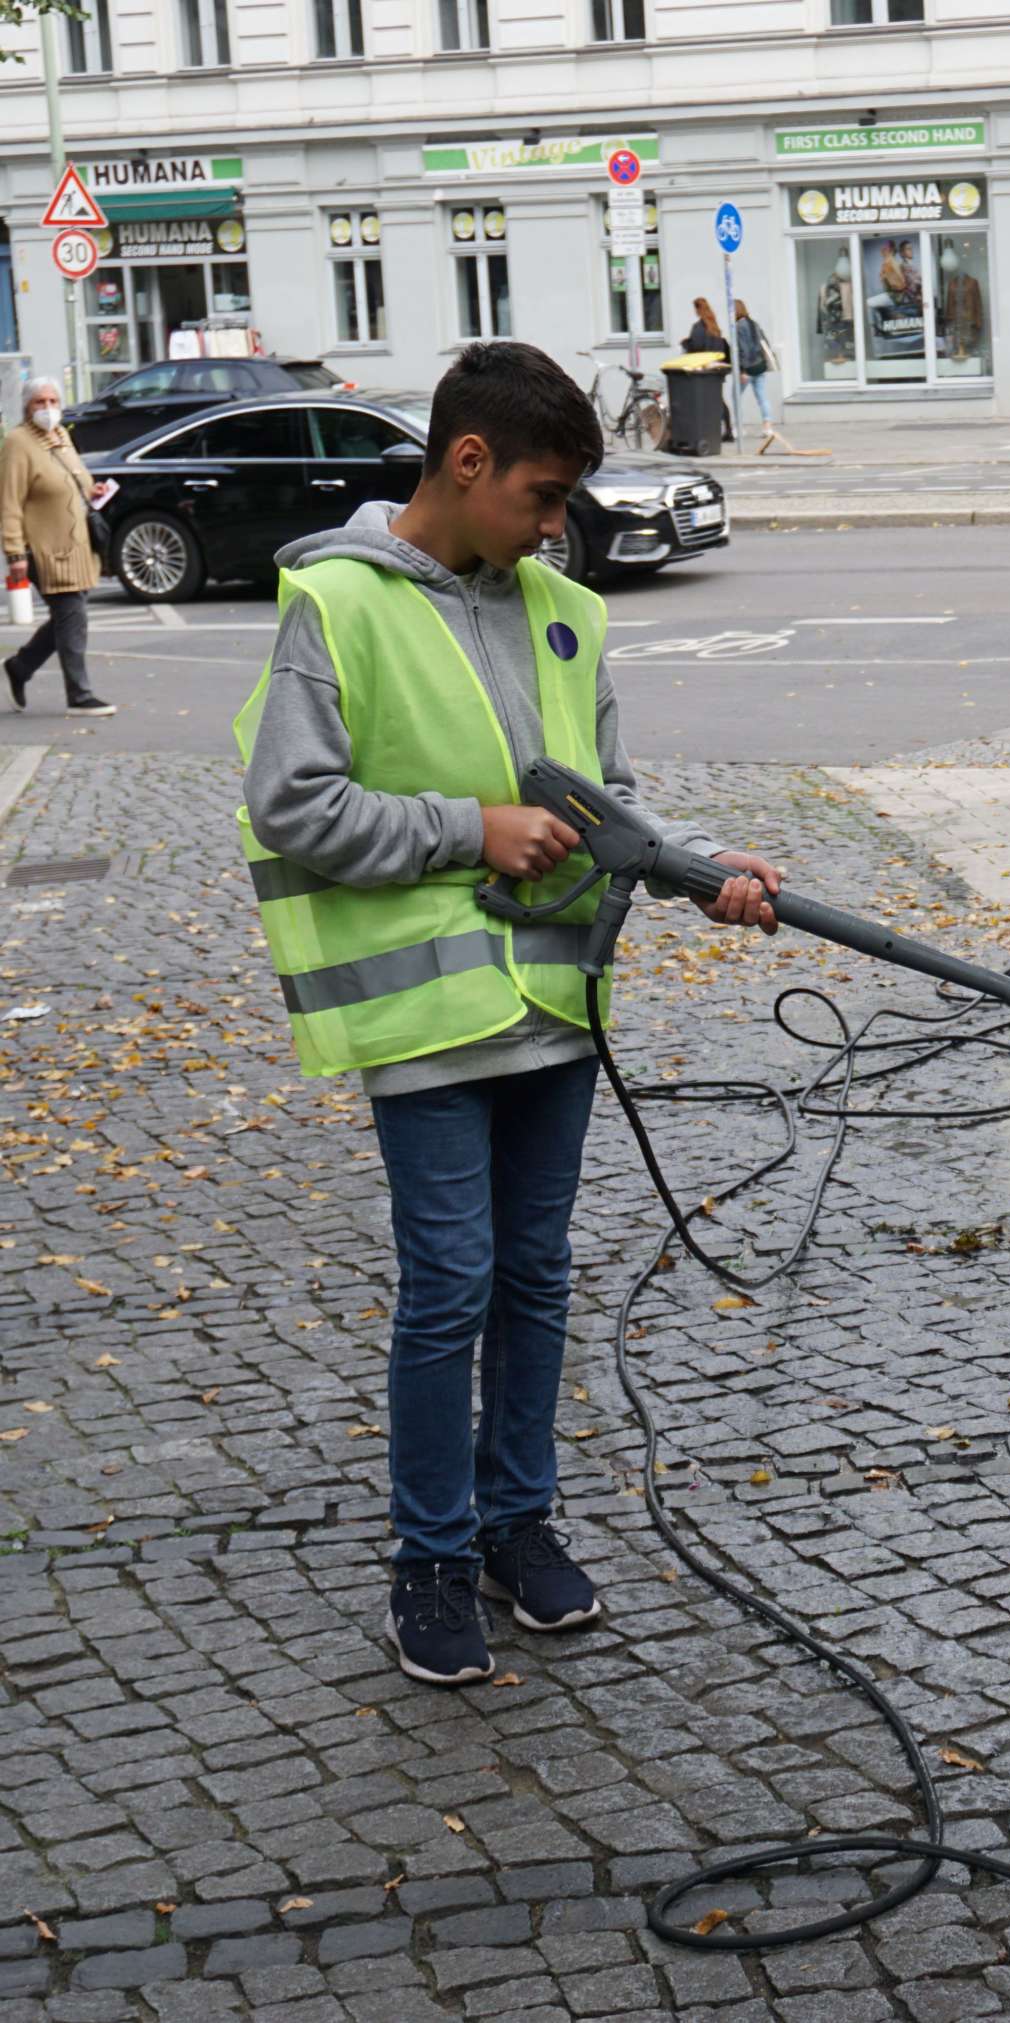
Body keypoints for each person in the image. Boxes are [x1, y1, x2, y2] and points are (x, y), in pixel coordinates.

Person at [235, 340, 782, 1687]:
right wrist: (465, 827)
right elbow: (292, 803)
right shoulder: (337, 602)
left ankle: (515, 1525)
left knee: (535, 1276)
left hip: (551, 1009)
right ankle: (428, 1558)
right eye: (542, 497)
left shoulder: (561, 610)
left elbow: (614, 804)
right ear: (465, 461)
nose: (557, 527)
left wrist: (706, 872)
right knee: (451, 1287)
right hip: (422, 1022)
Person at [3, 377, 115, 717]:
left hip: (76, 546)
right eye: (40, 402)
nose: (48, 408)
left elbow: (77, 477)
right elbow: (8, 502)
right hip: (43, 548)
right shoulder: (17, 443)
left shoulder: (60, 436)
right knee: (72, 616)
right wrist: (15, 553)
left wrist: (91, 490)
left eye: (53, 401)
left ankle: (20, 667)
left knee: (67, 618)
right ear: (27, 406)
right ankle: (79, 695)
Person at [685, 296, 735, 442]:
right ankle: (728, 430)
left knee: (704, 401)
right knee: (718, 400)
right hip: (717, 370)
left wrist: (686, 343)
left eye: (695, 309)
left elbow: (696, 348)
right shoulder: (714, 326)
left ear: (698, 309)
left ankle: (708, 431)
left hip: (703, 370)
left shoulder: (698, 327)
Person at [732, 297, 777, 429]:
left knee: (736, 397)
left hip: (748, 369)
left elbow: (742, 350)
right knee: (762, 397)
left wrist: (743, 371)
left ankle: (739, 428)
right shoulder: (754, 323)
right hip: (760, 366)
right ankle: (767, 426)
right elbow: (764, 343)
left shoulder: (738, 327)